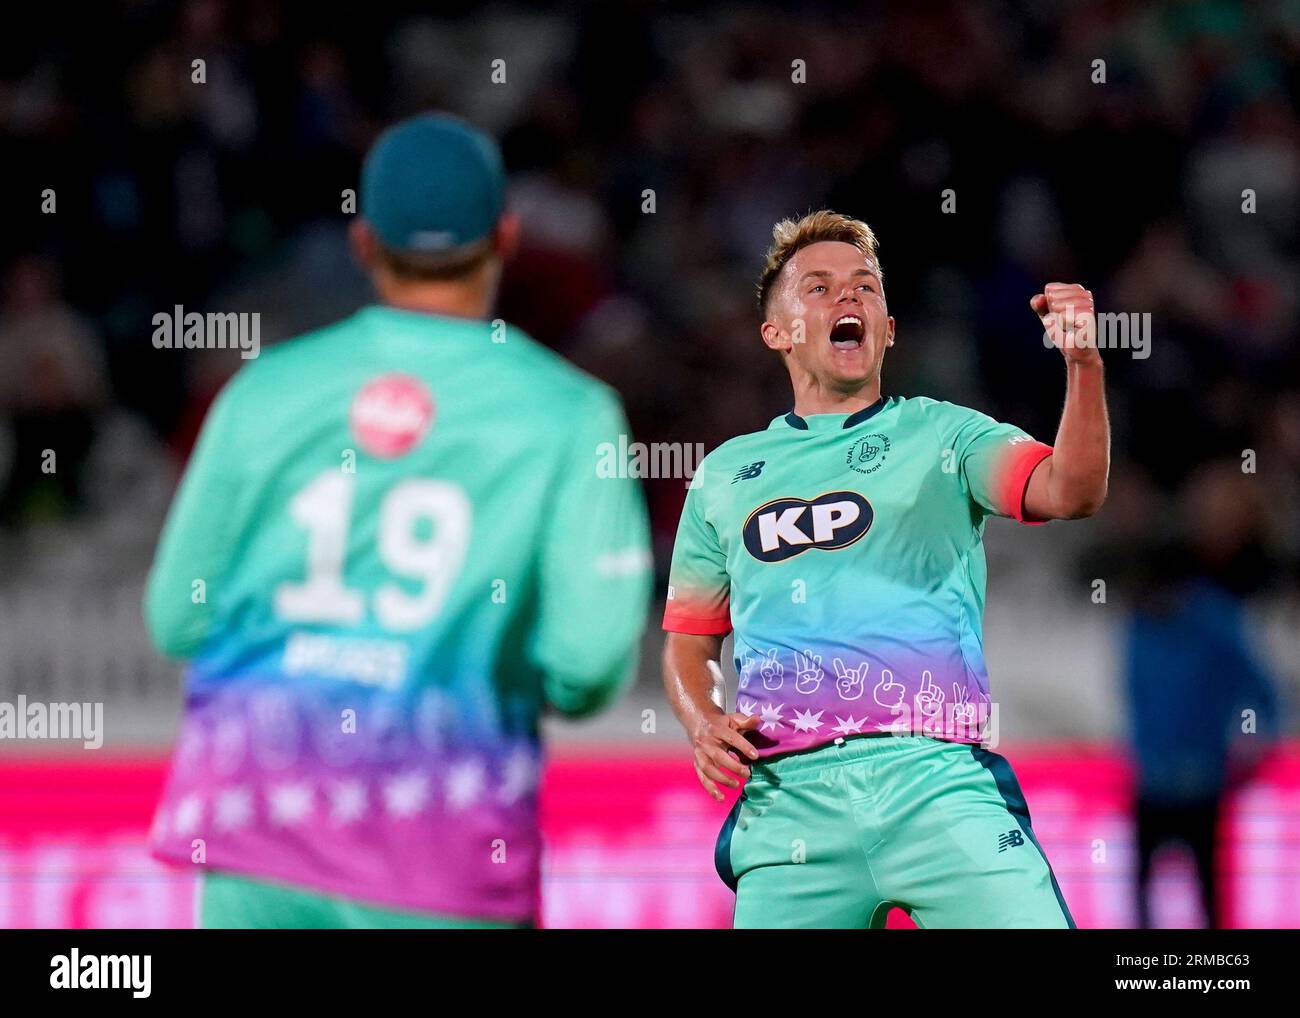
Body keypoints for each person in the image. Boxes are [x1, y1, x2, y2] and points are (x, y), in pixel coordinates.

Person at [143, 112, 652, 928]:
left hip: (256, 835)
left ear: (363, 242)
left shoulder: (262, 393)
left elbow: (177, 619)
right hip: (440, 845)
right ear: (508, 237)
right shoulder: (568, 415)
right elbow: (588, 665)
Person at [662, 210, 1108, 928]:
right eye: (819, 287)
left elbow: (1071, 490)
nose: (847, 299)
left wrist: (1084, 367)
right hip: (787, 806)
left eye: (864, 287)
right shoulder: (722, 478)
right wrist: (700, 716)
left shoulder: (947, 434)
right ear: (776, 333)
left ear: (888, 328)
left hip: (936, 783)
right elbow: (691, 638)